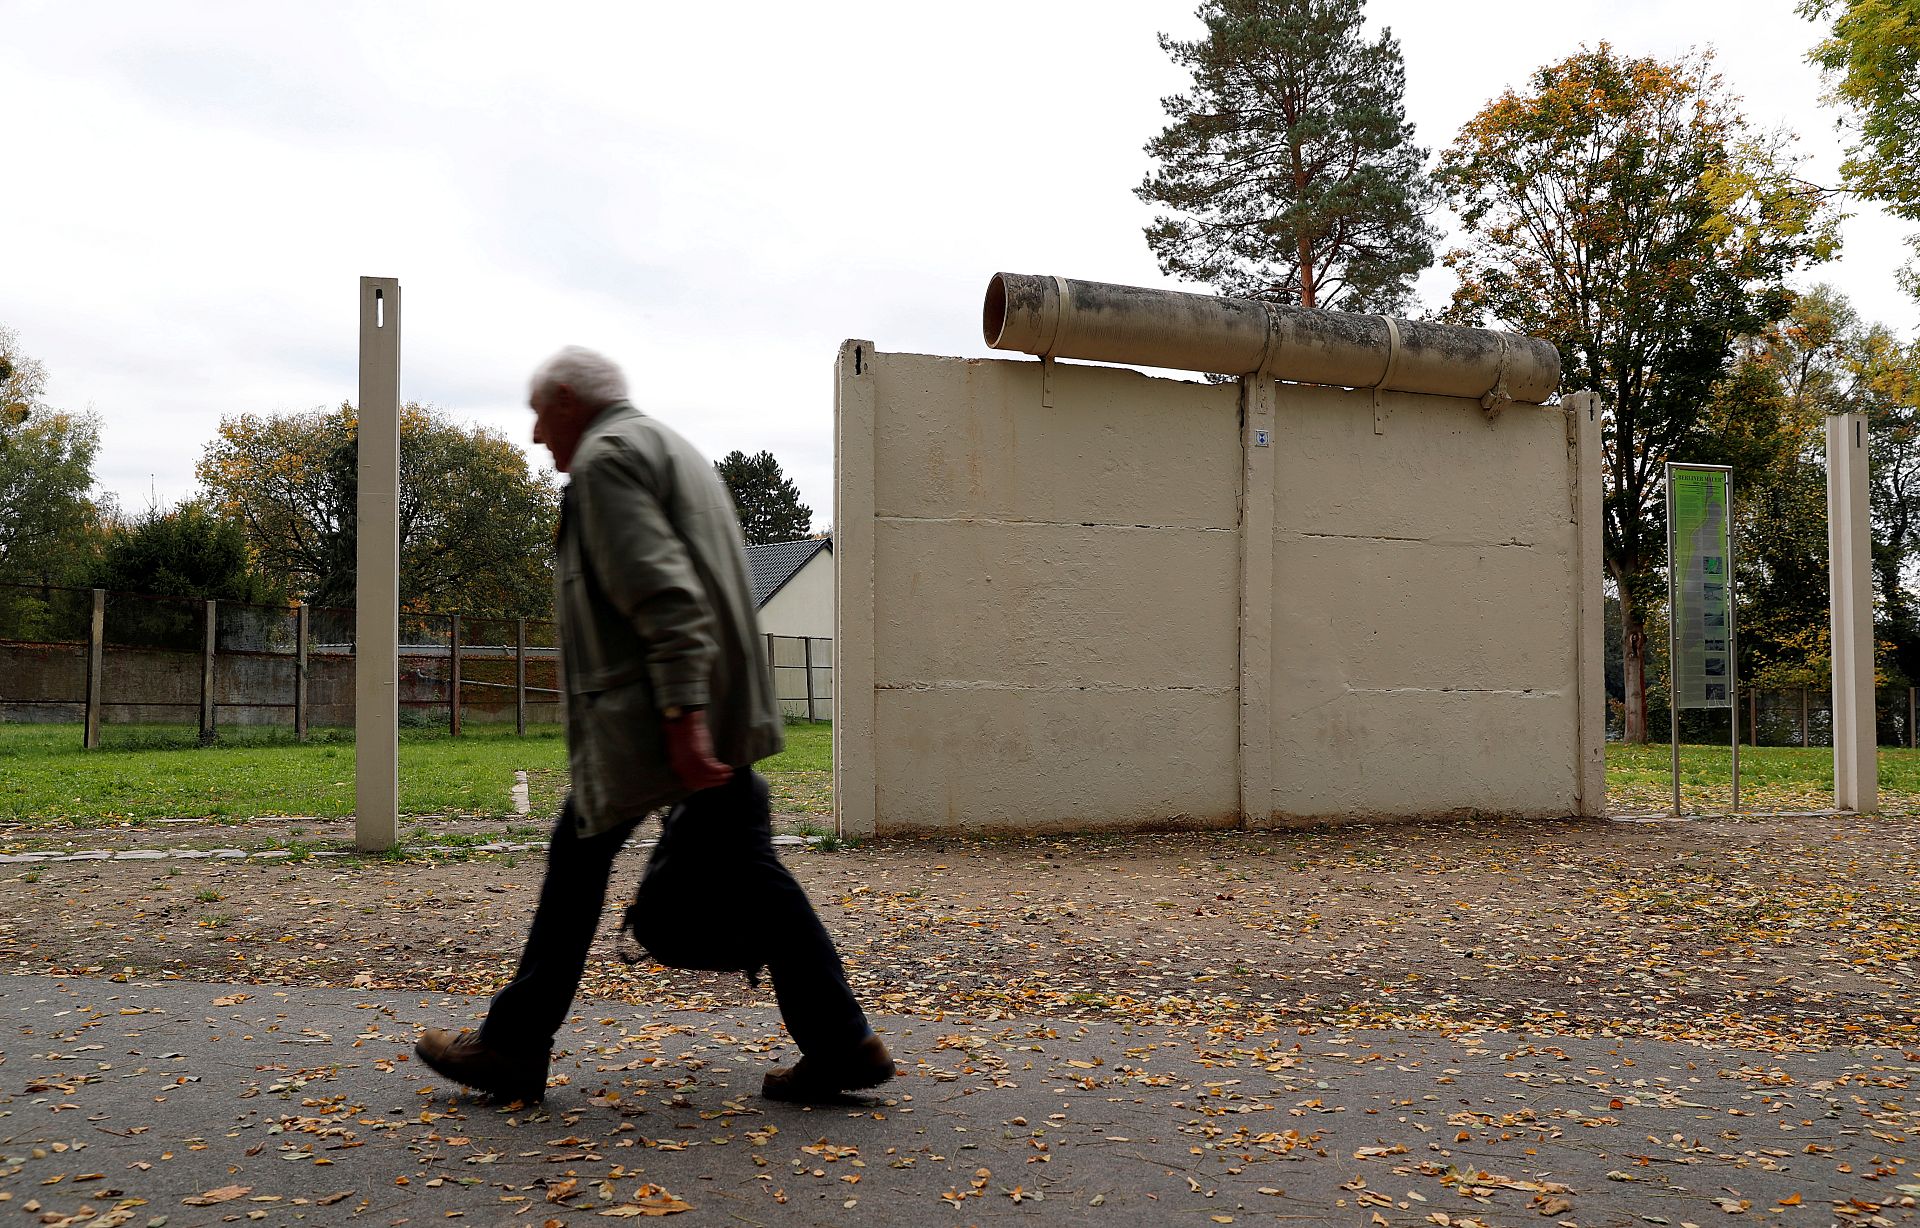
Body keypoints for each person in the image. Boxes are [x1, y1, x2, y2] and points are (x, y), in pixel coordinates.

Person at [414, 346, 893, 1104]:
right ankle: (841, 1043)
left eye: (541, 413)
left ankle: (512, 1048)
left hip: (657, 720)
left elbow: (666, 597)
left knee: (578, 860)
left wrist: (681, 718)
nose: (538, 435)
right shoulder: (671, 448)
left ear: (570, 400)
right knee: (752, 874)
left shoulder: (608, 461)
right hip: (713, 703)